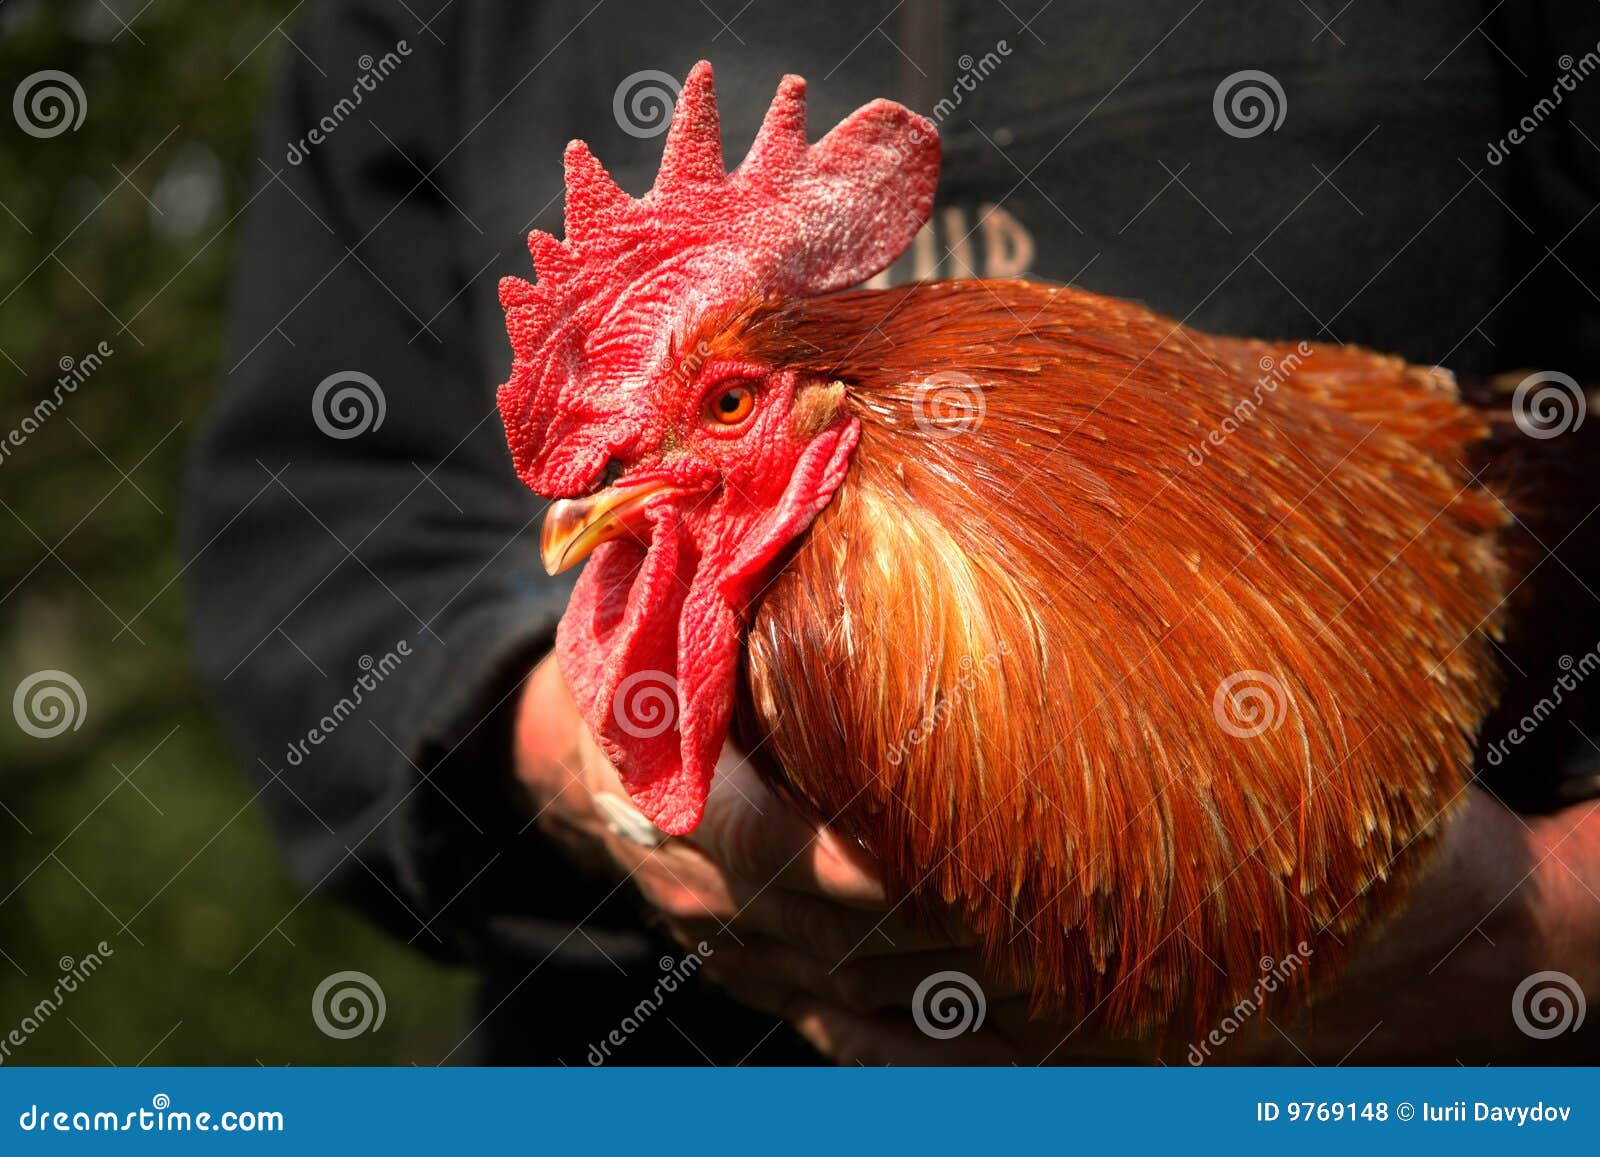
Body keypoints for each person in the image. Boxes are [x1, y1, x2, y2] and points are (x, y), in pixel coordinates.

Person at [186, 0, 1600, 1064]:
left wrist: (1542, 928)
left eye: (726, 403)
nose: (610, 485)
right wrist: (567, 741)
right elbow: (321, 520)